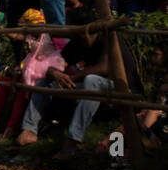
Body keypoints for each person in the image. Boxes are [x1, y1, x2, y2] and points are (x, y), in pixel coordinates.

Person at [17, 24, 144, 156]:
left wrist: (73, 77)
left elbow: (104, 67)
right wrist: (55, 73)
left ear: (84, 31)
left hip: (120, 93)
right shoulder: (77, 43)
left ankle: (74, 138)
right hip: (91, 94)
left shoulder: (108, 38)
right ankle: (29, 129)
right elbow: (56, 65)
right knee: (45, 81)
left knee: (91, 80)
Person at [0, 7, 51, 138]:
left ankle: (12, 126)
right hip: (26, 71)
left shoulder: (49, 39)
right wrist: (3, 31)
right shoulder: (30, 36)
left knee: (21, 90)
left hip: (40, 75)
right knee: (3, 83)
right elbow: (18, 36)